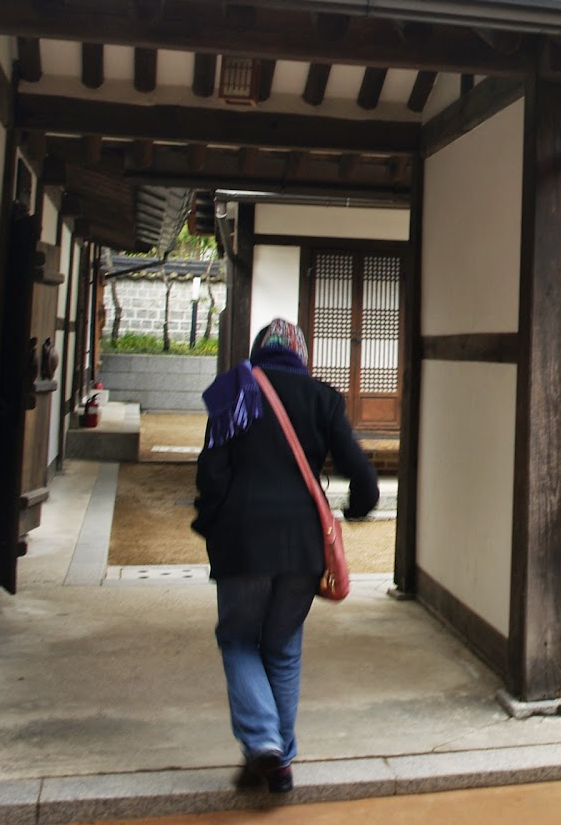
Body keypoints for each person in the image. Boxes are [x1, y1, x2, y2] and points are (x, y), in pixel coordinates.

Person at [192, 318, 379, 793]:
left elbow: (211, 469)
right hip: (302, 543)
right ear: (301, 353)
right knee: (283, 646)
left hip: (241, 539)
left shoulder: (234, 389)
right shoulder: (324, 398)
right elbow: (363, 475)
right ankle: (279, 756)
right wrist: (355, 510)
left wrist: (208, 519)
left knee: (237, 639)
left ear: (259, 350)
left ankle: (264, 747)